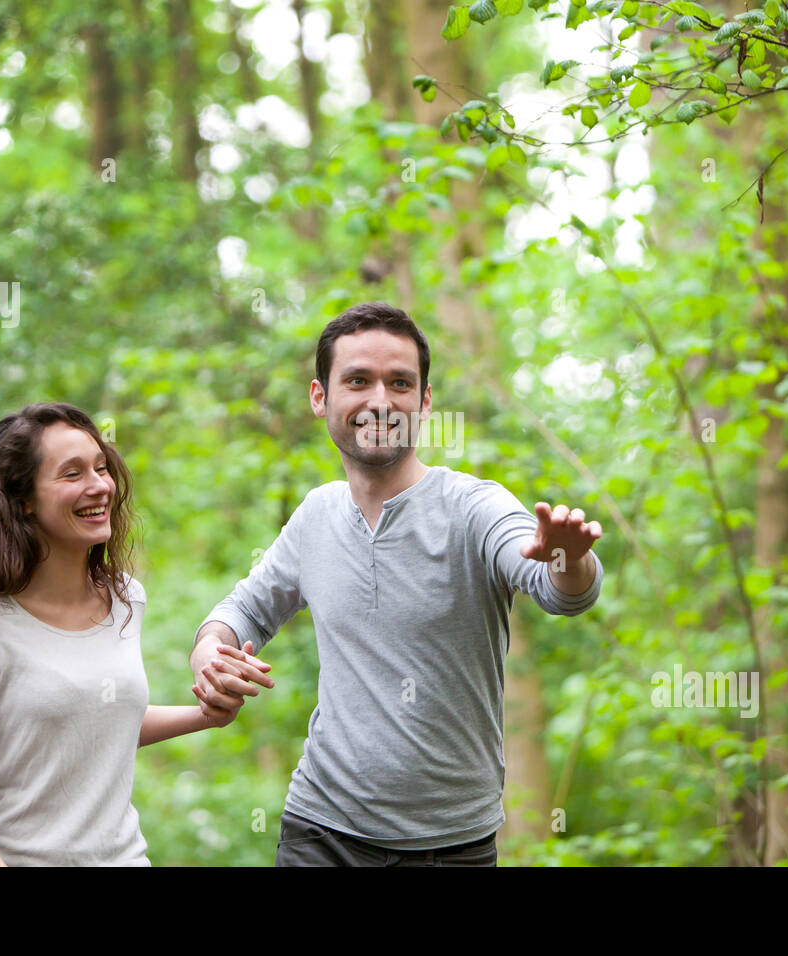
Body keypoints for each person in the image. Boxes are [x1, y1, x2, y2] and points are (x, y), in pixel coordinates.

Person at [189, 302, 604, 866]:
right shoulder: (317, 516)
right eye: (358, 380)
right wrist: (209, 652)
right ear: (321, 397)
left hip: (452, 845)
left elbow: (558, 589)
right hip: (321, 830)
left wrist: (568, 560)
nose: (380, 401)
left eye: (400, 383)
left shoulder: (473, 507)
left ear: (424, 402)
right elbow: (244, 610)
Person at [0, 402, 263, 866]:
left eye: (101, 468)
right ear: (24, 500)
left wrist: (207, 715)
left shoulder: (125, 600)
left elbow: (101, 720)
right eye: (72, 474)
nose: (98, 485)